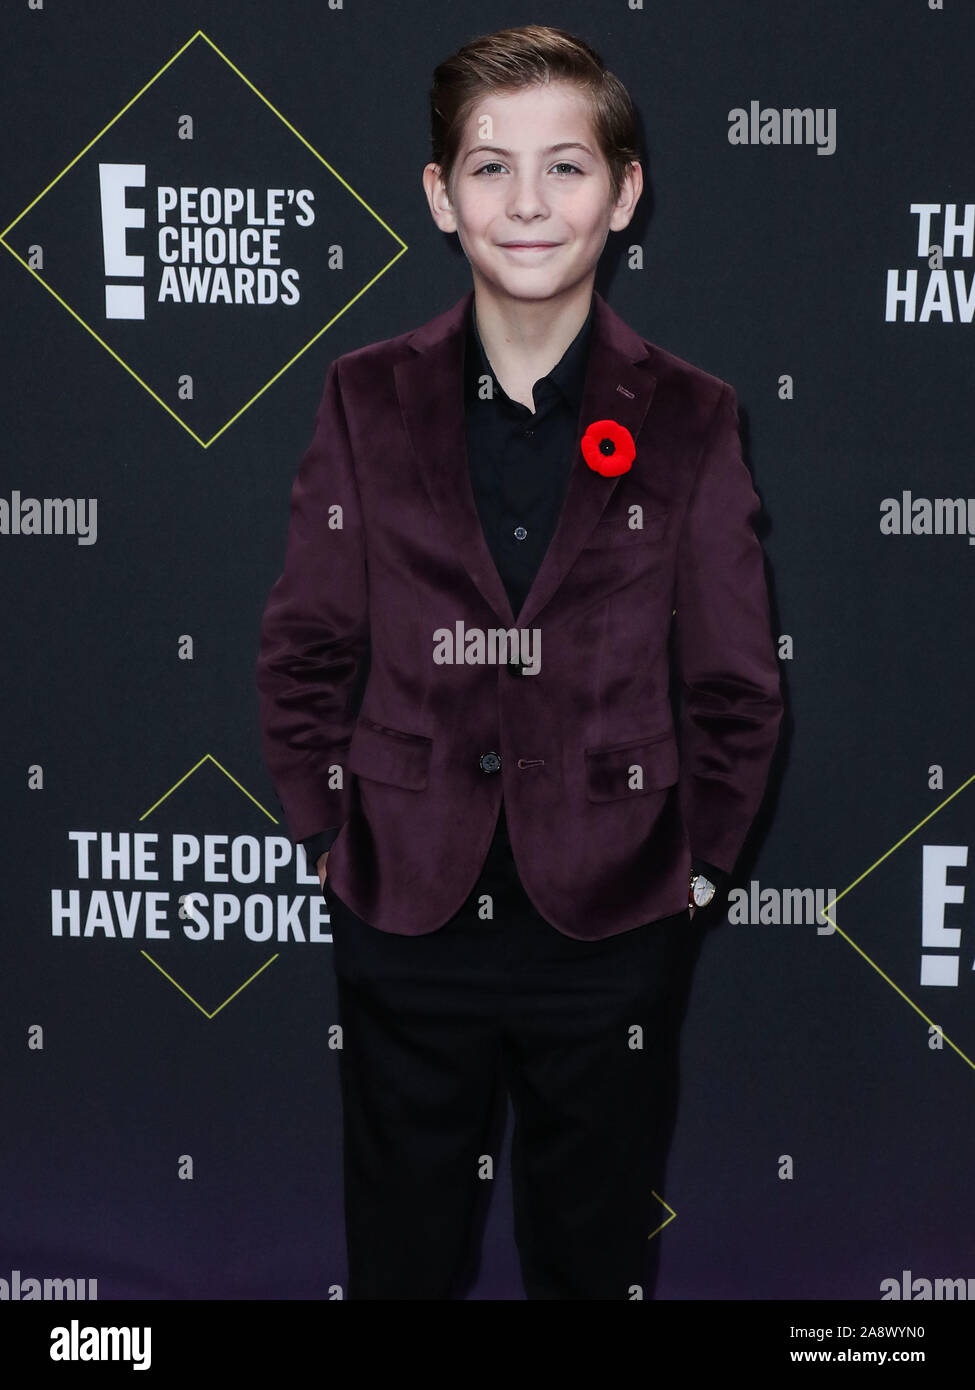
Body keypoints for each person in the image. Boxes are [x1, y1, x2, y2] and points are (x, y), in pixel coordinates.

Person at [256, 24, 783, 1300]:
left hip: (613, 919)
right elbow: (307, 642)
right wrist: (332, 833)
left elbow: (733, 682)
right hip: (404, 901)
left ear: (626, 191)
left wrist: (696, 874)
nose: (529, 203)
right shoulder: (362, 399)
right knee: (401, 1258)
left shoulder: (695, 416)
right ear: (439, 195)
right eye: (491, 169)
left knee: (595, 1260)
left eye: (566, 167)